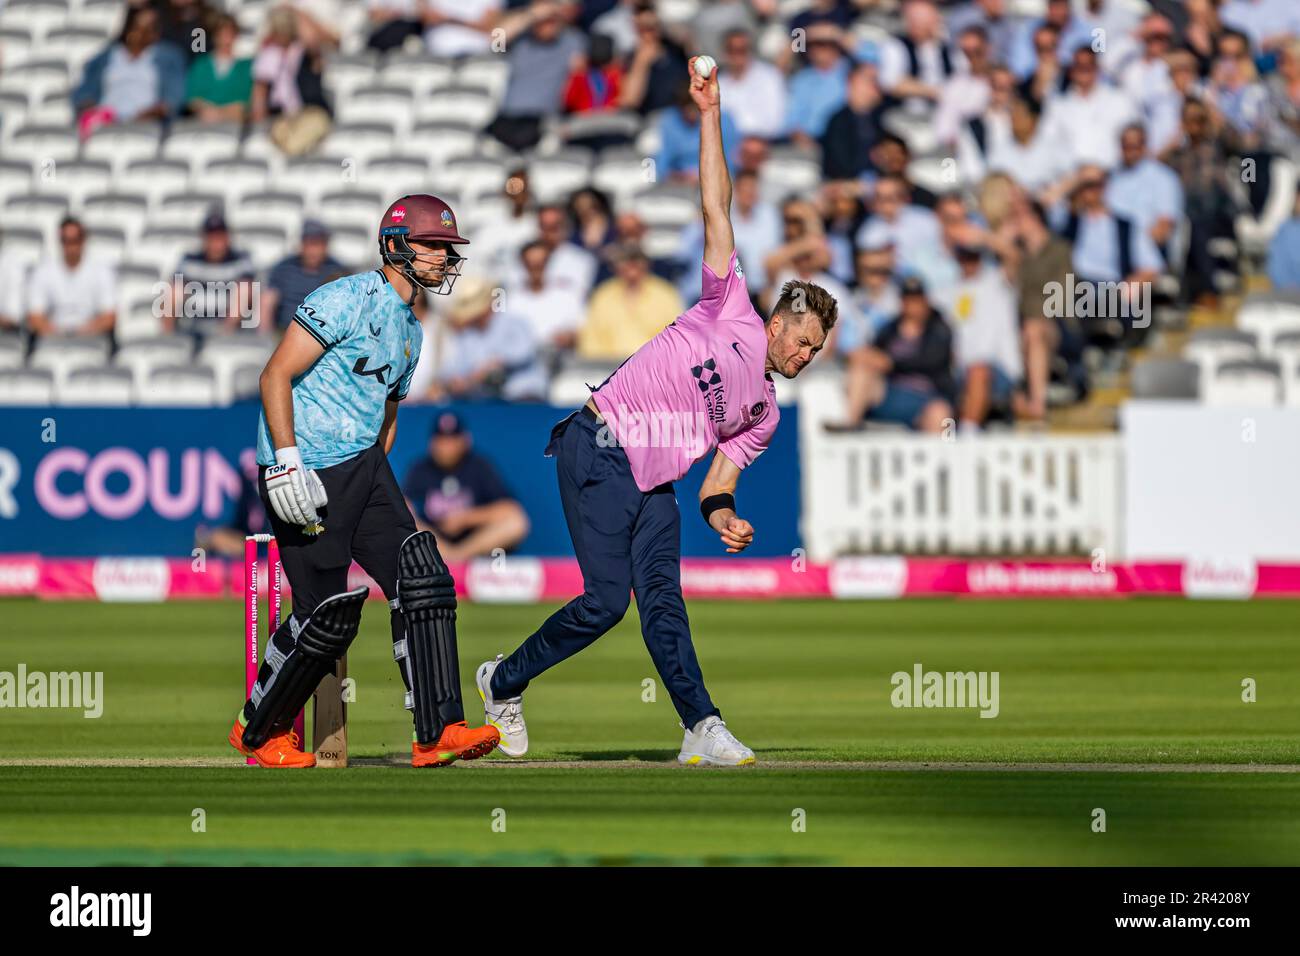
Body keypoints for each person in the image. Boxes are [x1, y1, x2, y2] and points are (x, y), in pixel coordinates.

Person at [475, 57, 839, 768]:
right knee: (607, 604)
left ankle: (701, 725)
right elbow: (716, 205)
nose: (804, 356)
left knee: (665, 607)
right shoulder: (728, 303)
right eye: (801, 341)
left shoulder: (764, 411)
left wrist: (724, 515)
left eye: (816, 351)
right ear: (776, 323)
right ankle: (503, 680)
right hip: (598, 444)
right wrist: (709, 114)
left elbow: (719, 479)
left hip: (657, 485)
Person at [230, 193, 500, 769]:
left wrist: (373, 478)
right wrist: (282, 461)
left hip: (364, 467)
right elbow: (275, 372)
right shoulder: (345, 297)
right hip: (305, 466)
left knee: (423, 577)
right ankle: (260, 732)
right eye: (434, 245)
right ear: (397, 244)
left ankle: (437, 730)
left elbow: (388, 414)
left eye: (448, 248)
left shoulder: (413, 331)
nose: (444, 257)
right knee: (325, 614)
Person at [402, 411, 531, 562]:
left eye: (452, 440)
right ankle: (448, 557)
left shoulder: (479, 466)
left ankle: (456, 559)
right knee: (398, 519)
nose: (447, 447)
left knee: (516, 522)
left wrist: (466, 518)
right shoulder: (420, 468)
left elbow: (509, 509)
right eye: (442, 440)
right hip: (434, 542)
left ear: (465, 440)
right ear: (432, 443)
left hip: (472, 544)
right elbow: (404, 506)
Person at [841, 275, 955, 432]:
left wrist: (891, 363)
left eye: (917, 300)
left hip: (927, 395)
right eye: (908, 300)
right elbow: (875, 354)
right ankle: (850, 424)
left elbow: (932, 361)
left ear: (925, 301)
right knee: (861, 369)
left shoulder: (940, 327)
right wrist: (865, 356)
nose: (912, 305)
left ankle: (943, 455)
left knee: (941, 415)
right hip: (891, 391)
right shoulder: (889, 329)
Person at [71, 4, 186, 137]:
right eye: (139, 27)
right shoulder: (107, 57)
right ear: (128, 28)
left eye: (150, 27)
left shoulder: (169, 57)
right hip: (106, 122)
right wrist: (92, 109)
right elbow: (84, 93)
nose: (143, 33)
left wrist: (153, 113)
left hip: (147, 124)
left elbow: (173, 99)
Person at [431, 275, 547, 401]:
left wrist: (492, 364)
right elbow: (454, 367)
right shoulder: (467, 335)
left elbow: (524, 352)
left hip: (523, 397)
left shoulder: (513, 322)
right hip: (485, 402)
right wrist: (454, 380)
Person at [578, 242, 684, 360]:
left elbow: (676, 338)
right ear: (616, 266)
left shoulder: (666, 294)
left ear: (646, 264)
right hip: (609, 369)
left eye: (636, 260)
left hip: (655, 367)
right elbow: (591, 342)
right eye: (626, 261)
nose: (631, 266)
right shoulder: (602, 295)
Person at [164, 211, 257, 340]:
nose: (216, 241)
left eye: (220, 235)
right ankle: (168, 338)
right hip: (194, 324)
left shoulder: (240, 259)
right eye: (212, 236)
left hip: (229, 328)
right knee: (174, 290)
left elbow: (247, 290)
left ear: (227, 237)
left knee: (245, 289)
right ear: (204, 237)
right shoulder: (189, 259)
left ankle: (223, 337)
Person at [25, 218, 117, 344]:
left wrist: (82, 332)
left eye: (75, 240)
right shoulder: (43, 271)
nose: (71, 246)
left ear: (83, 240)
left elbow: (109, 317)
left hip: (92, 339)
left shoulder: (101, 271)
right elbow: (35, 317)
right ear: (60, 241)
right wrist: (58, 334)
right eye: (65, 240)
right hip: (53, 339)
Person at [262, 220, 345, 333]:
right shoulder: (284, 268)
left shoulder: (337, 271)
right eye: (309, 244)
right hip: (285, 332)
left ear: (325, 246)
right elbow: (268, 301)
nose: (313, 251)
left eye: (317, 245)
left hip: (323, 335)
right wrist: (266, 335)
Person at [184, 12, 252, 122]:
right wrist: (207, 111)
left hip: (235, 127)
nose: (225, 38)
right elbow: (193, 99)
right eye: (221, 33)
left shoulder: (246, 67)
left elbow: (246, 104)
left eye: (230, 33)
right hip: (204, 126)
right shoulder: (201, 64)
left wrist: (221, 113)